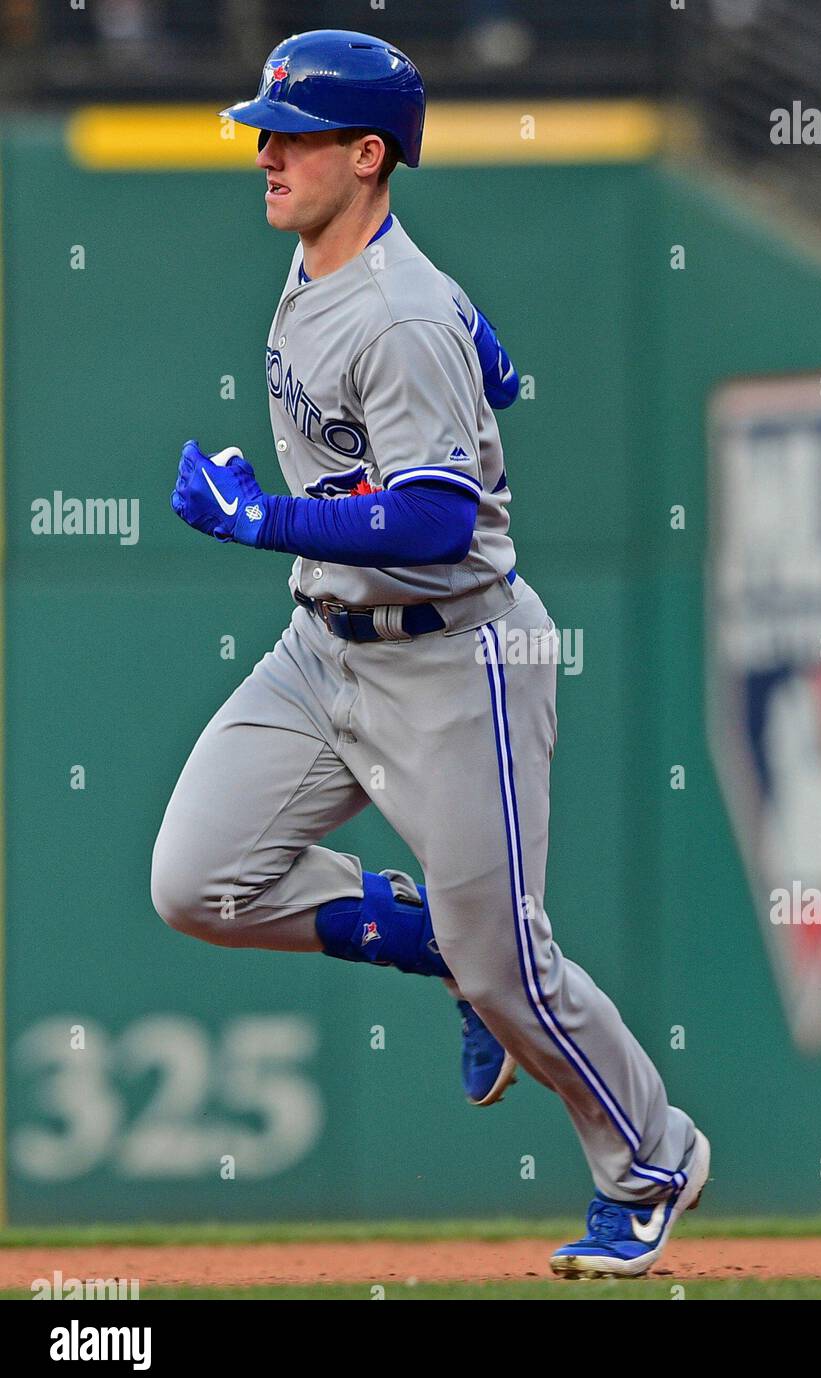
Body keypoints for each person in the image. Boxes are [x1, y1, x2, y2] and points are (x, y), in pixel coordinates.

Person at [152, 28, 709, 1279]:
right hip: (322, 649)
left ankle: (652, 1160)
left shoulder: (395, 312)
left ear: (368, 153)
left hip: (456, 663)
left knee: (512, 966)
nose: (266, 151)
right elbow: (476, 367)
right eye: (264, 130)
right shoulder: (343, 273)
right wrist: (479, 351)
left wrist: (262, 517)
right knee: (200, 881)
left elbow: (437, 520)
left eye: (293, 134)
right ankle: (428, 947)